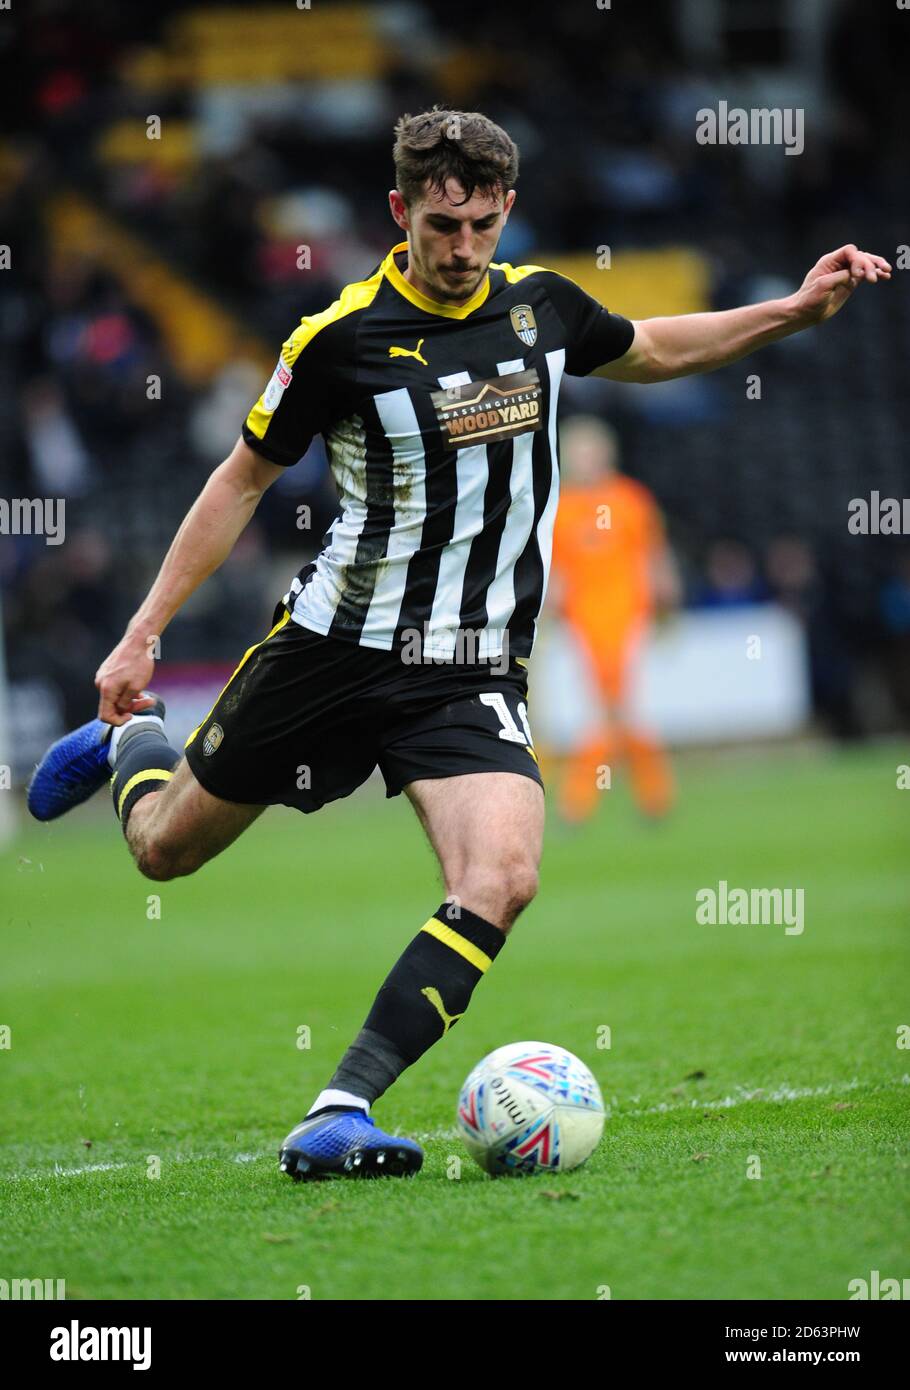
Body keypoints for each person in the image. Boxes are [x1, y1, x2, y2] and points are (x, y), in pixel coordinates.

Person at [27, 107, 891, 1181]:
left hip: (471, 665)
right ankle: (135, 743)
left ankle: (337, 1108)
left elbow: (656, 346)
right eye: (444, 224)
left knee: (505, 873)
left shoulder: (540, 311)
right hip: (334, 648)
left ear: (505, 211)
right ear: (400, 211)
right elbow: (239, 479)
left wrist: (793, 313)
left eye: (483, 223)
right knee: (164, 850)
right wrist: (141, 633)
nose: (463, 247)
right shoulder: (337, 339)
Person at [550, 416, 679, 821]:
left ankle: (579, 803)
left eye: (591, 453)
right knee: (612, 715)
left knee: (616, 713)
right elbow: (556, 572)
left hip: (629, 619)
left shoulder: (630, 500)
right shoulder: (562, 507)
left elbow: (654, 556)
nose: (584, 462)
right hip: (582, 624)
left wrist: (666, 606)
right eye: (577, 454)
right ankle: (651, 798)